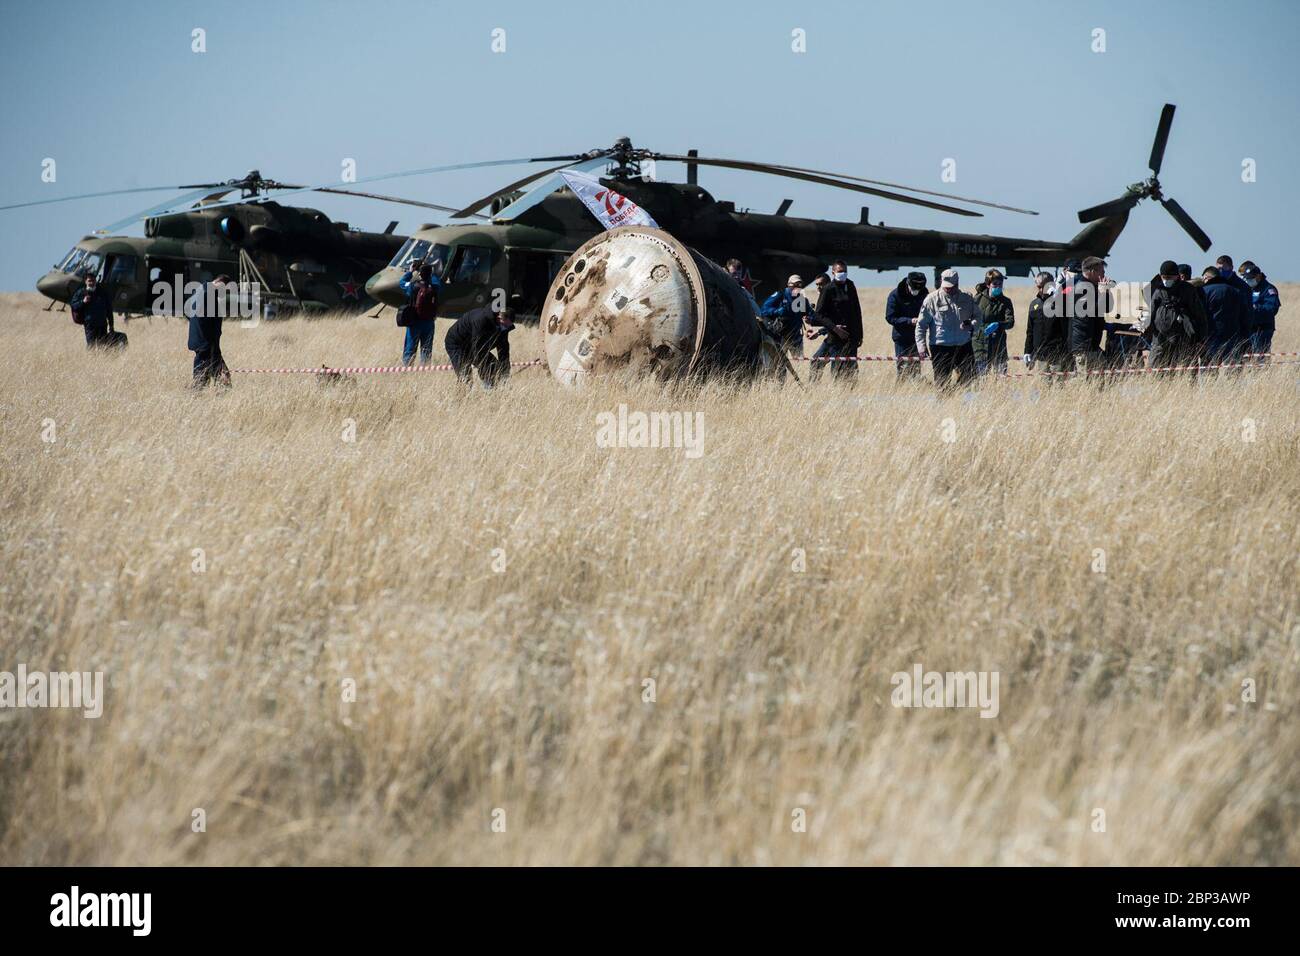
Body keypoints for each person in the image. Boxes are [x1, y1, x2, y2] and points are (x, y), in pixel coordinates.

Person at [915, 268, 978, 391]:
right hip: (940, 347)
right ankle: (945, 401)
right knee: (942, 383)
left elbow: (978, 316)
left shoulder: (967, 298)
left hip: (963, 345)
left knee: (970, 378)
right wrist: (921, 347)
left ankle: (957, 395)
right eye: (945, 287)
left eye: (951, 287)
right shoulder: (931, 299)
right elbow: (921, 326)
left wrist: (972, 324)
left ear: (957, 284)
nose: (948, 289)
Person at [1144, 259, 1208, 373]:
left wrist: (1201, 336)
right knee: (1156, 368)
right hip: (1160, 337)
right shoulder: (1158, 289)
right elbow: (1151, 311)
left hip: (1182, 337)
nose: (1167, 280)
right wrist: (1148, 329)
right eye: (1164, 277)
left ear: (1177, 276)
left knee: (1183, 368)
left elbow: (1199, 314)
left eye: (1170, 277)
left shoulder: (1188, 290)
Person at [807, 260, 862, 380]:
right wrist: (835, 329)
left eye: (844, 271)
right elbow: (819, 316)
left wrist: (859, 335)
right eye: (840, 271)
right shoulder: (828, 290)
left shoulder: (850, 286)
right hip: (833, 338)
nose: (842, 274)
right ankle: (813, 390)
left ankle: (849, 393)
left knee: (849, 371)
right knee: (821, 365)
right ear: (833, 272)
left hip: (850, 337)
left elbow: (857, 312)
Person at [444, 302, 514, 387]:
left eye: (509, 325)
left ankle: (489, 392)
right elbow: (478, 350)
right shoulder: (481, 320)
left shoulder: (503, 327)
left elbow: (503, 349)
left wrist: (504, 371)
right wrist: (484, 370)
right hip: (457, 343)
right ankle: (461, 397)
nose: (506, 327)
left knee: (494, 367)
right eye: (506, 324)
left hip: (474, 345)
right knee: (465, 376)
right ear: (499, 318)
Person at [1068, 256, 1112, 374]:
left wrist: (1106, 292)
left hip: (1093, 345)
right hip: (1083, 346)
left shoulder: (1094, 287)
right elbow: (1092, 311)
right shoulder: (1081, 288)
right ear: (1093, 272)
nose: (1104, 275)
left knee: (1101, 379)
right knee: (1085, 381)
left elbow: (1108, 308)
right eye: (1102, 272)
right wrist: (1102, 294)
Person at [1199, 265, 1249, 366]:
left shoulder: (1203, 292)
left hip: (1211, 337)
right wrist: (1245, 336)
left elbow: (1200, 315)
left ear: (1207, 278)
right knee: (1234, 370)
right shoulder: (1236, 291)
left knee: (1210, 370)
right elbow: (1245, 315)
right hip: (1233, 336)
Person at [187, 275, 231, 387]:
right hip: (206, 344)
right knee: (202, 381)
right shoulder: (207, 293)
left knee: (216, 378)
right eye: (225, 289)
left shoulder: (201, 290)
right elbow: (203, 319)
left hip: (204, 343)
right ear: (220, 283)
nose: (224, 293)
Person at [885, 271, 927, 379]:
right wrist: (909, 321)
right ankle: (901, 388)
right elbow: (890, 317)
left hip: (917, 337)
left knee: (916, 371)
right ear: (908, 283)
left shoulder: (924, 294)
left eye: (919, 289)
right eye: (914, 288)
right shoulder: (895, 295)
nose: (916, 291)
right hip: (901, 338)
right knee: (903, 370)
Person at [972, 269, 1015, 374]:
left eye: (1000, 284)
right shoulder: (977, 299)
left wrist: (999, 324)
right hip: (980, 346)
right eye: (995, 284)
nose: (998, 287)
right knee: (980, 378)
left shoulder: (1005, 302)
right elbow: (970, 318)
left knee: (1000, 377)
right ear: (988, 284)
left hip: (998, 345)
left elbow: (1010, 322)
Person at [759, 274, 811, 358]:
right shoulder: (780, 294)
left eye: (799, 284)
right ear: (789, 284)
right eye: (794, 284)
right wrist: (776, 311)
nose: (797, 287)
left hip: (796, 337)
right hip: (781, 336)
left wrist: (809, 319)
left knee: (799, 362)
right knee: (780, 362)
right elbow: (764, 310)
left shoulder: (802, 299)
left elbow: (809, 313)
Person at [1239, 262, 1280, 363]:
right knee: (1245, 358)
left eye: (1251, 278)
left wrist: (1256, 308)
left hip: (1262, 329)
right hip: (1248, 329)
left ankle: (1262, 374)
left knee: (1260, 359)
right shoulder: (1247, 289)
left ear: (1258, 276)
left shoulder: (1269, 289)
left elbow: (1272, 308)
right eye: (1247, 278)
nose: (1249, 281)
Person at [401, 263, 438, 366]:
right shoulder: (434, 287)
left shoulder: (413, 286)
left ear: (420, 274)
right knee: (426, 349)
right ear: (430, 274)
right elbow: (438, 283)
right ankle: (425, 369)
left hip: (415, 321)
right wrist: (434, 274)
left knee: (410, 347)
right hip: (429, 322)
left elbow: (402, 282)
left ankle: (407, 368)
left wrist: (410, 272)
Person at [69, 273, 116, 349]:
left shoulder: (102, 292)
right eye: (89, 281)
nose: (91, 283)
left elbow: (109, 310)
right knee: (91, 347)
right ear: (85, 282)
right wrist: (83, 302)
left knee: (104, 347)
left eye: (93, 280)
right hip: (90, 325)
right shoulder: (81, 292)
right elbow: (73, 305)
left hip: (102, 325)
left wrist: (111, 325)